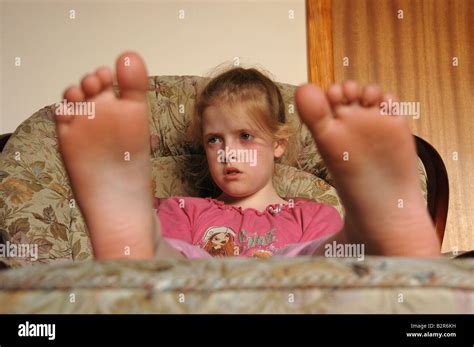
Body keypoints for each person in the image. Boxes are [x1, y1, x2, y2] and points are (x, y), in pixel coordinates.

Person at [54, 51, 440, 260]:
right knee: (180, 257)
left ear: (278, 143)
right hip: (204, 300)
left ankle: (367, 231)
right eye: (214, 140)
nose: (226, 153)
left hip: (291, 298)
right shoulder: (184, 210)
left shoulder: (311, 214)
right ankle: (136, 237)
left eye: (244, 136)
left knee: (315, 256)